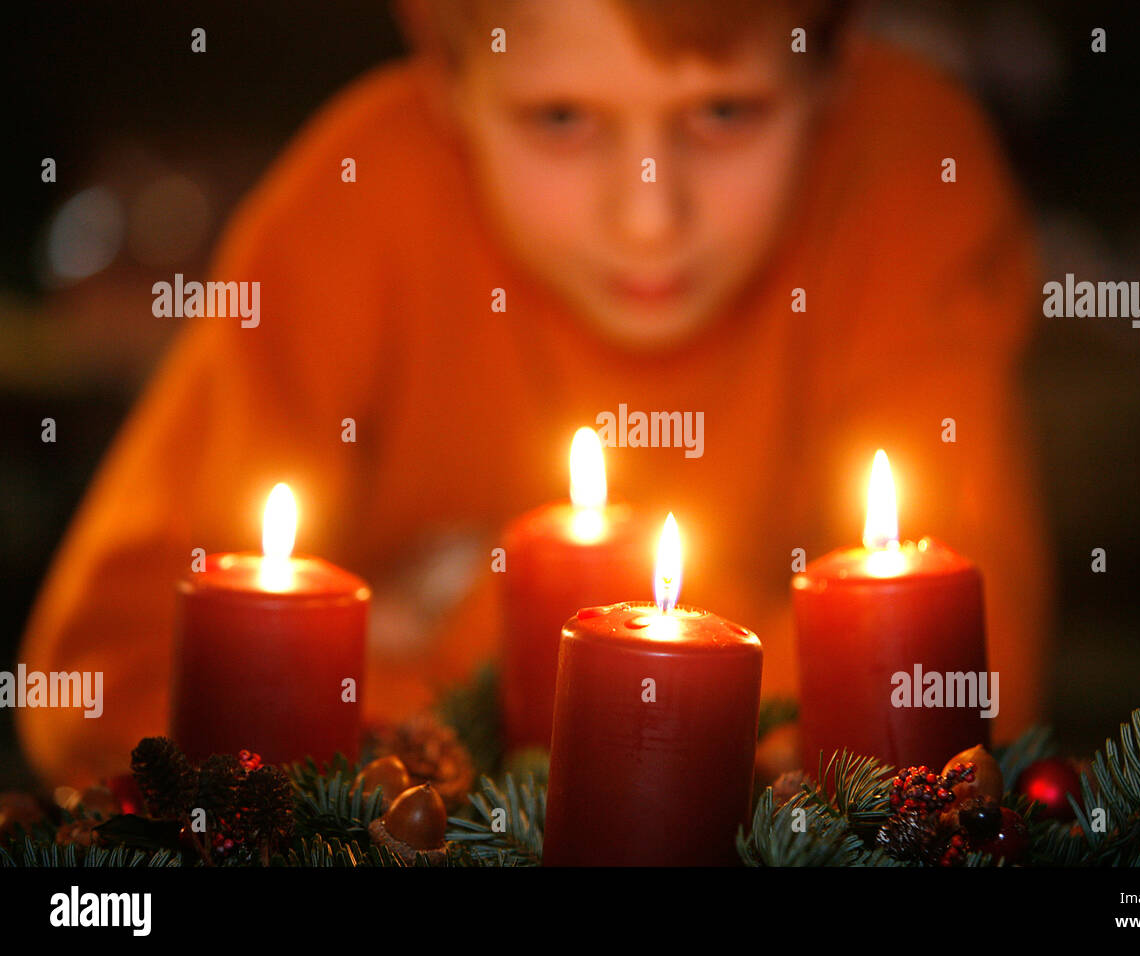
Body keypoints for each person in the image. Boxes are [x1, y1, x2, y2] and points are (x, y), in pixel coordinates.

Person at [18, 0, 1051, 787]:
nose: (648, 215)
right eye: (561, 118)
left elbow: (968, 683)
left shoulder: (906, 162)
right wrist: (746, 645)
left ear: (829, 75)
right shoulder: (355, 196)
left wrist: (458, 632)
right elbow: (96, 679)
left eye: (724, 112)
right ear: (452, 85)